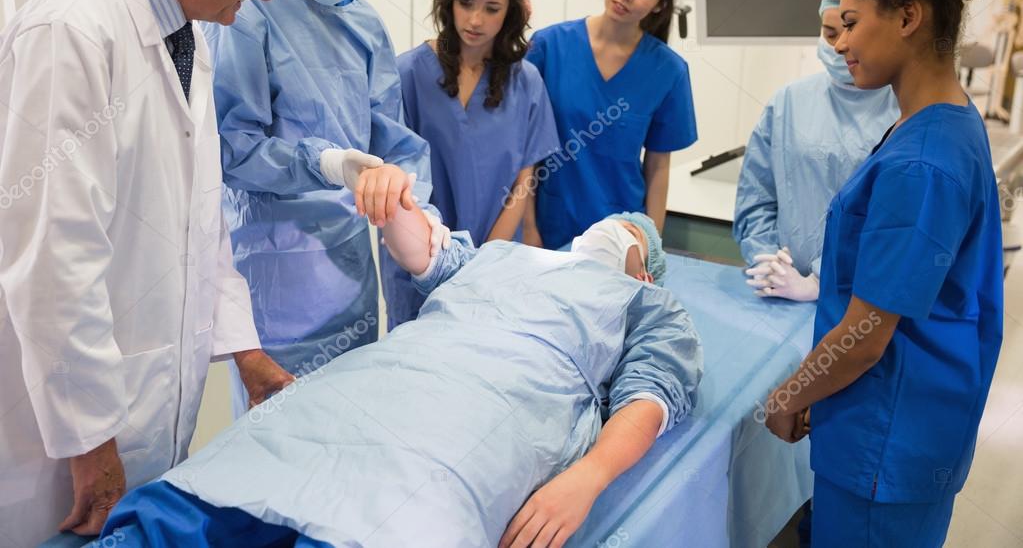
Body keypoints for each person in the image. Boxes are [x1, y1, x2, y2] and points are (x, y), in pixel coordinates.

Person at [93, 186, 700, 548]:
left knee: (383, 514)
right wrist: (392, 197)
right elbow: (426, 253)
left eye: (628, 234)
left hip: (498, 402)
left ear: (644, 271)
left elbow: (649, 398)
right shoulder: (501, 256)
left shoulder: (645, 303)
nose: (608, 231)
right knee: (238, 477)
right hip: (389, 372)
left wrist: (587, 478)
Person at [0, 0, 296, 543]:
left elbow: (201, 221)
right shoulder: (71, 30)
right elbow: (53, 255)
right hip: (66, 438)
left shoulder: (188, 38)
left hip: (150, 402)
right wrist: (89, 437)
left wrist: (244, 350)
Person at [762, 0, 1003, 547]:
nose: (840, 43)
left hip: (885, 446)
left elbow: (866, 335)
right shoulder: (947, 122)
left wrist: (788, 396)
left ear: (906, 17)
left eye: (850, 22)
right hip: (907, 430)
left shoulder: (920, 162)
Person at [206, 0, 446, 409]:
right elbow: (231, 148)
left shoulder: (367, 27)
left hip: (349, 279)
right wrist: (329, 164)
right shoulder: (249, 11)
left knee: (348, 430)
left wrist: (420, 214)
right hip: (274, 278)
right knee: (275, 441)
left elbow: (394, 142)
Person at [734, 0, 899, 302]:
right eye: (829, 32)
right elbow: (757, 197)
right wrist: (768, 261)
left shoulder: (902, 111)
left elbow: (893, 224)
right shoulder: (788, 102)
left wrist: (822, 280)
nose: (839, 45)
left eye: (850, 30)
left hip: (861, 301)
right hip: (782, 292)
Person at [525, 0, 698, 250]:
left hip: (621, 238)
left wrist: (650, 246)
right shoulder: (549, 46)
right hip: (549, 228)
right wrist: (528, 228)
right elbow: (523, 148)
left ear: (659, 5)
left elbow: (658, 168)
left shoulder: (668, 71)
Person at [398, 0, 560, 249]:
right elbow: (399, 175)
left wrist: (487, 258)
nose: (475, 20)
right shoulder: (409, 73)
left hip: (497, 254)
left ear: (510, 12)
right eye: (466, 3)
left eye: (491, 9)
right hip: (421, 250)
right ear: (450, 1)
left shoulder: (525, 82)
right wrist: (433, 257)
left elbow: (524, 182)